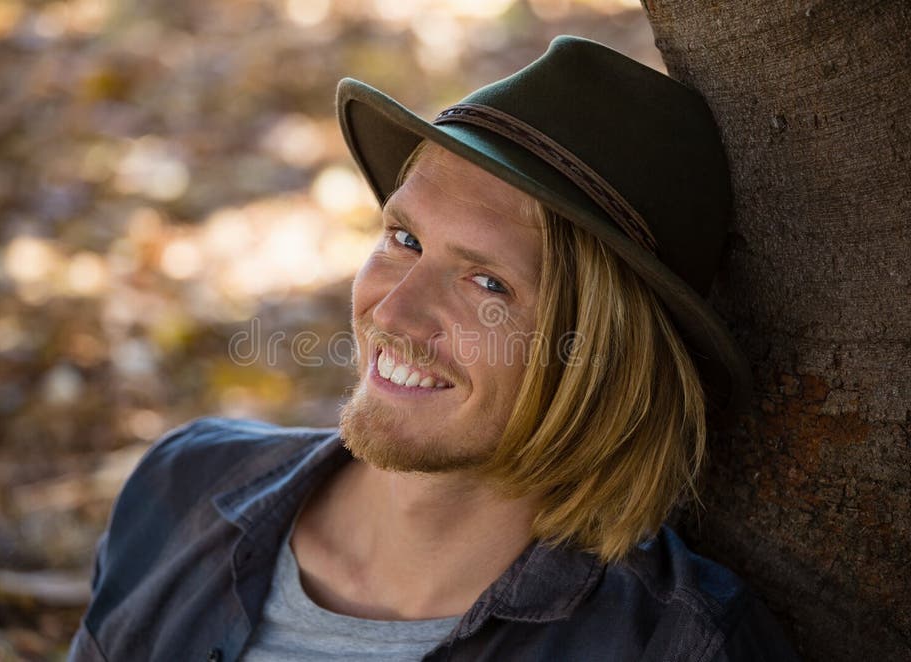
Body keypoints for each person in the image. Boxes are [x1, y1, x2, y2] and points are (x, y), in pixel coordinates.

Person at [69, 36, 799, 661]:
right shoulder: (182, 489)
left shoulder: (675, 647)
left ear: (605, 359)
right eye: (404, 239)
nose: (393, 311)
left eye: (488, 282)